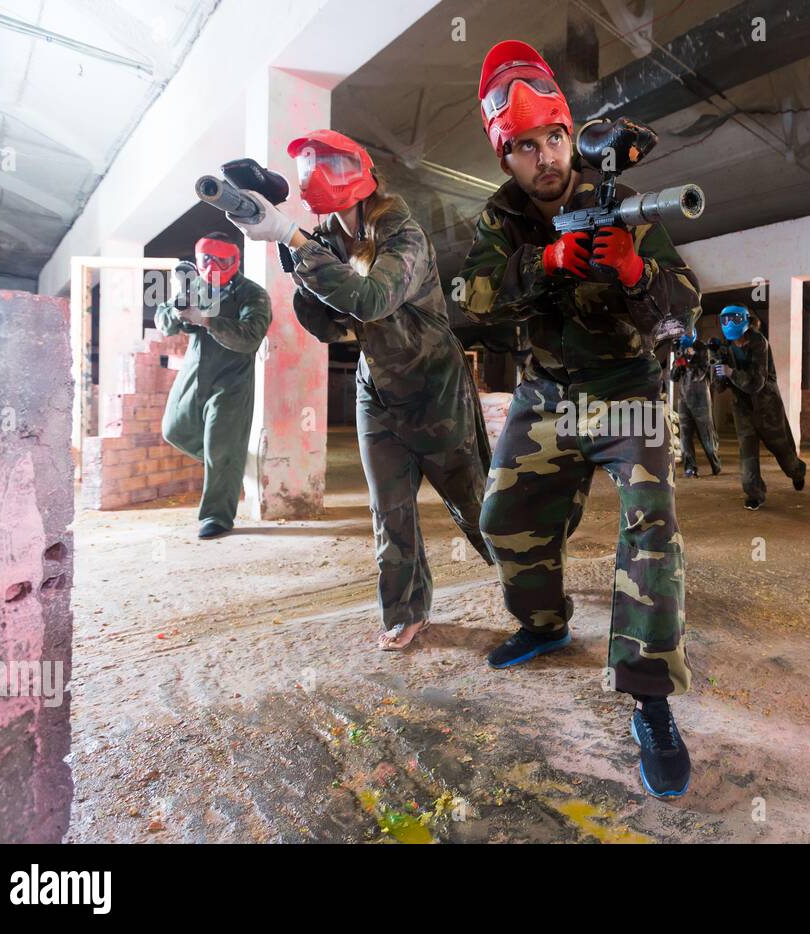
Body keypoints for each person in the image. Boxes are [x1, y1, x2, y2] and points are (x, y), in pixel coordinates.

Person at [459, 40, 700, 797]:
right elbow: (474, 305)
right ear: (507, 158)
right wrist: (549, 263)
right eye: (525, 147)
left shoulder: (622, 198)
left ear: (571, 134)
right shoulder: (498, 220)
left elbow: (685, 304)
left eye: (555, 137)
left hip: (628, 387)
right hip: (546, 392)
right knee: (502, 518)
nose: (547, 158)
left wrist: (635, 270)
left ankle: (651, 697)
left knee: (650, 529)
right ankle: (545, 622)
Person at [228, 129, 493, 650]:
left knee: (473, 501)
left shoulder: (403, 234)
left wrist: (292, 239)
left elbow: (372, 300)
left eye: (324, 163)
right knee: (389, 509)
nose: (315, 173)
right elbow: (330, 325)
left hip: (433, 387)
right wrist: (296, 256)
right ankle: (405, 611)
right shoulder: (328, 238)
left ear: (358, 174)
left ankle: (528, 580)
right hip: (378, 389)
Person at [156, 233, 270, 539]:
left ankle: (217, 517)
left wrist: (207, 320)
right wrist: (177, 311)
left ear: (236, 260)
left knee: (220, 448)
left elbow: (250, 337)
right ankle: (227, 464)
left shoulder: (252, 294)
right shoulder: (196, 287)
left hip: (231, 379)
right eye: (206, 259)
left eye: (221, 259)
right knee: (173, 429)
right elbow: (164, 322)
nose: (213, 265)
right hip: (195, 372)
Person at [712, 304, 806, 510]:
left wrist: (730, 372)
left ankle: (797, 471)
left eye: (734, 319)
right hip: (742, 410)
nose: (729, 324)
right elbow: (719, 388)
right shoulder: (725, 348)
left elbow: (756, 383)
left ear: (745, 320)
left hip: (767, 406)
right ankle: (754, 494)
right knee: (748, 455)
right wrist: (717, 369)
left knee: (781, 448)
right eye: (725, 320)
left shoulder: (758, 343)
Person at [670, 332, 721, 477]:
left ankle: (715, 464)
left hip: (701, 399)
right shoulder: (680, 349)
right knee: (685, 437)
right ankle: (690, 468)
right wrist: (678, 364)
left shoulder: (702, 349)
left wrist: (690, 359)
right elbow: (674, 377)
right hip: (684, 399)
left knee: (706, 436)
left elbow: (701, 374)